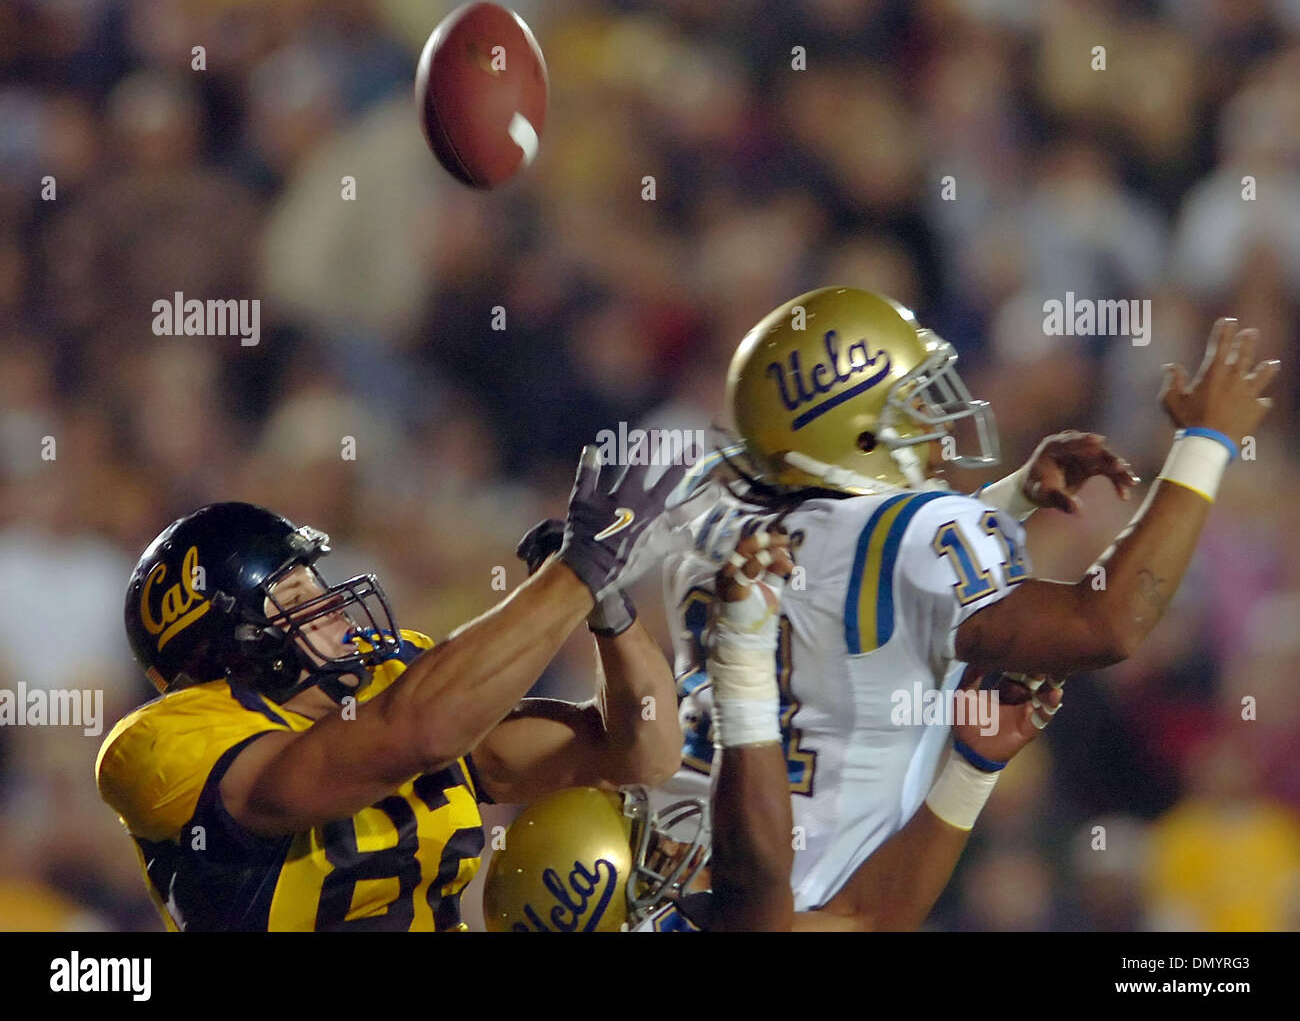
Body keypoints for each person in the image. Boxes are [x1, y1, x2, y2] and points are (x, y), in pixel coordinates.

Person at [658, 288, 1277, 930]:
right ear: (855, 429)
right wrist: (1205, 444)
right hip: (805, 903)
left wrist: (1010, 500)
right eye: (912, 397)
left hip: (689, 896)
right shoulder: (915, 529)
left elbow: (854, 593)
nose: (934, 413)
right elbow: (1106, 625)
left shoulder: (718, 531)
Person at [95, 447, 686, 931]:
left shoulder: (394, 679)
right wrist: (580, 568)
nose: (332, 607)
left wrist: (606, 605)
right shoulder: (158, 745)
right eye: (298, 599)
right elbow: (408, 738)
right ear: (232, 646)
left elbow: (640, 753)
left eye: (317, 584)